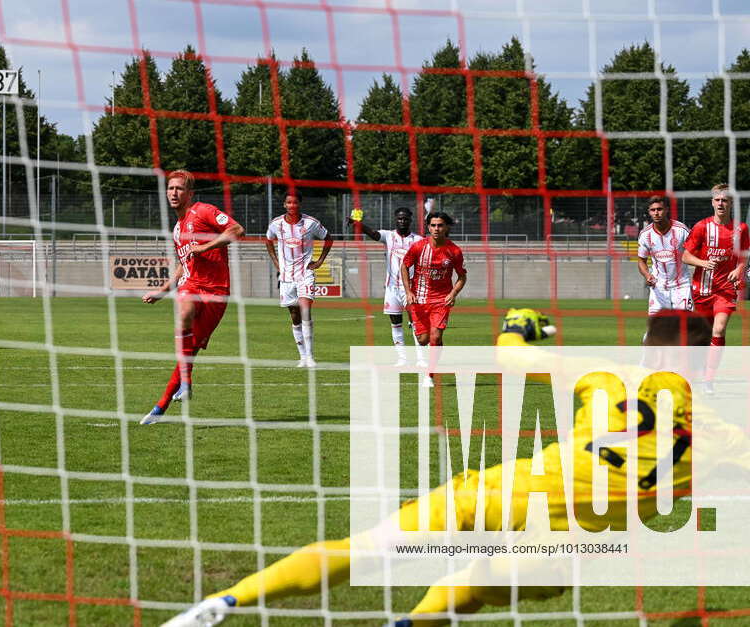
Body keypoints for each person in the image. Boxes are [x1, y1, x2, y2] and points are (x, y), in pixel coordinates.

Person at [162, 308, 723, 627]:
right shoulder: (723, 436)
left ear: (649, 350)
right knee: (477, 587)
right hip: (565, 541)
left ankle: (222, 603)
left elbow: (511, 354)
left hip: (504, 492)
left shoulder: (607, 374)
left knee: (372, 548)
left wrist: (520, 323)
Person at [140, 170, 244, 425]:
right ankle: (185, 383)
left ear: (189, 193)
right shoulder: (177, 229)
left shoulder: (204, 211)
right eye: (170, 188)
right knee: (183, 310)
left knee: (190, 353)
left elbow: (237, 229)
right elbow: (183, 265)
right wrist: (162, 291)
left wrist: (205, 246)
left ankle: (160, 408)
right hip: (192, 284)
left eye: (179, 189)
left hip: (217, 292)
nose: (173, 193)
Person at [681, 184, 748, 390]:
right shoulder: (702, 227)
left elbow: (745, 256)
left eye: (725, 200)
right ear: (712, 202)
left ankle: (709, 380)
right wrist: (702, 263)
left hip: (726, 290)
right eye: (718, 200)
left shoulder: (741, 229)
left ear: (731, 204)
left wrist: (739, 270)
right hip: (702, 290)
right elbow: (685, 256)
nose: (721, 203)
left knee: (718, 330)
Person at [265, 188, 333, 368]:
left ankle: (310, 357)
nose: (292, 205)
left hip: (305, 274)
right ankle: (302, 357)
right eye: (289, 202)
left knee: (304, 310)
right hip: (287, 277)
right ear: (284, 204)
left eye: (295, 202)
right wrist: (276, 262)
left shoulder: (311, 223)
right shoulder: (276, 224)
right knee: (294, 315)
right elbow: (268, 241)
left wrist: (319, 261)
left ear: (299, 204)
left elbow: (328, 238)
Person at [348, 207, 423, 366]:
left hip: (410, 288)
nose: (402, 221)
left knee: (416, 323)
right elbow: (374, 234)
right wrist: (358, 225)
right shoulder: (388, 236)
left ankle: (421, 359)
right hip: (391, 288)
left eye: (405, 219)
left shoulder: (418, 240)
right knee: (395, 323)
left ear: (410, 220)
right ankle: (402, 358)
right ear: (396, 219)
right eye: (399, 218)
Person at [401, 211, 467, 386]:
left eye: (440, 225)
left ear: (446, 227)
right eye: (433, 225)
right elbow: (404, 266)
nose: (436, 229)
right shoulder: (418, 247)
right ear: (428, 227)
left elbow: (462, 276)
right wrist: (408, 291)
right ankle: (435, 342)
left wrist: (453, 294)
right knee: (423, 340)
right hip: (419, 299)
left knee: (435, 337)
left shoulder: (454, 251)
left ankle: (429, 375)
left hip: (441, 300)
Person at [636, 196, 691, 338]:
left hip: (682, 286)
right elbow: (641, 260)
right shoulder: (645, 235)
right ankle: (648, 359)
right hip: (658, 288)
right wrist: (647, 275)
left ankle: (684, 359)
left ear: (666, 210)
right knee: (654, 330)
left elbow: (693, 253)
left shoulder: (681, 230)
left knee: (684, 328)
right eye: (653, 210)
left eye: (659, 209)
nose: (656, 213)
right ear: (649, 212)